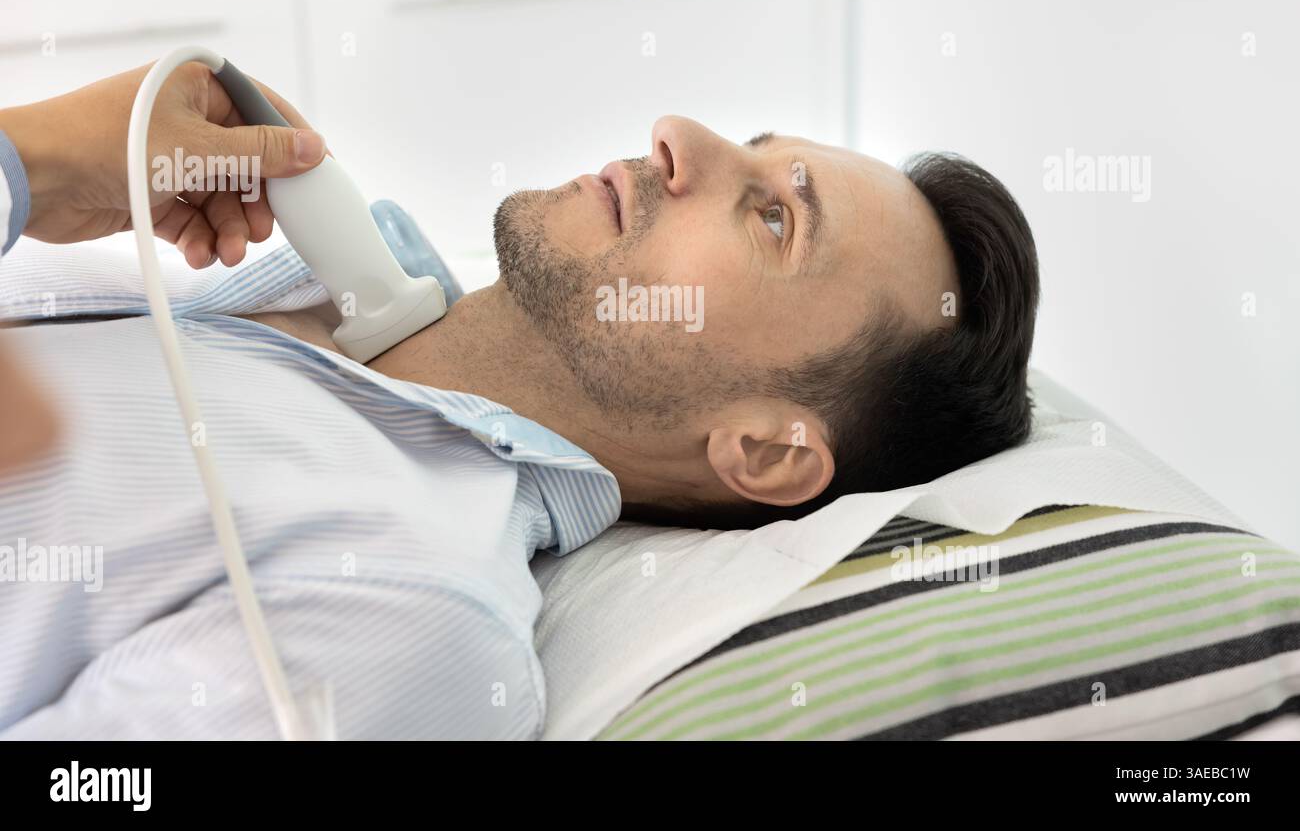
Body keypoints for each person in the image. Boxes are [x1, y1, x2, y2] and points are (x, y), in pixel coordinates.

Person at [0, 61, 1038, 738]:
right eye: (752, 147)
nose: (678, 131)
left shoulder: (414, 616)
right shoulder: (236, 259)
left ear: (763, 451)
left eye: (772, 219)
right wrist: (31, 176)